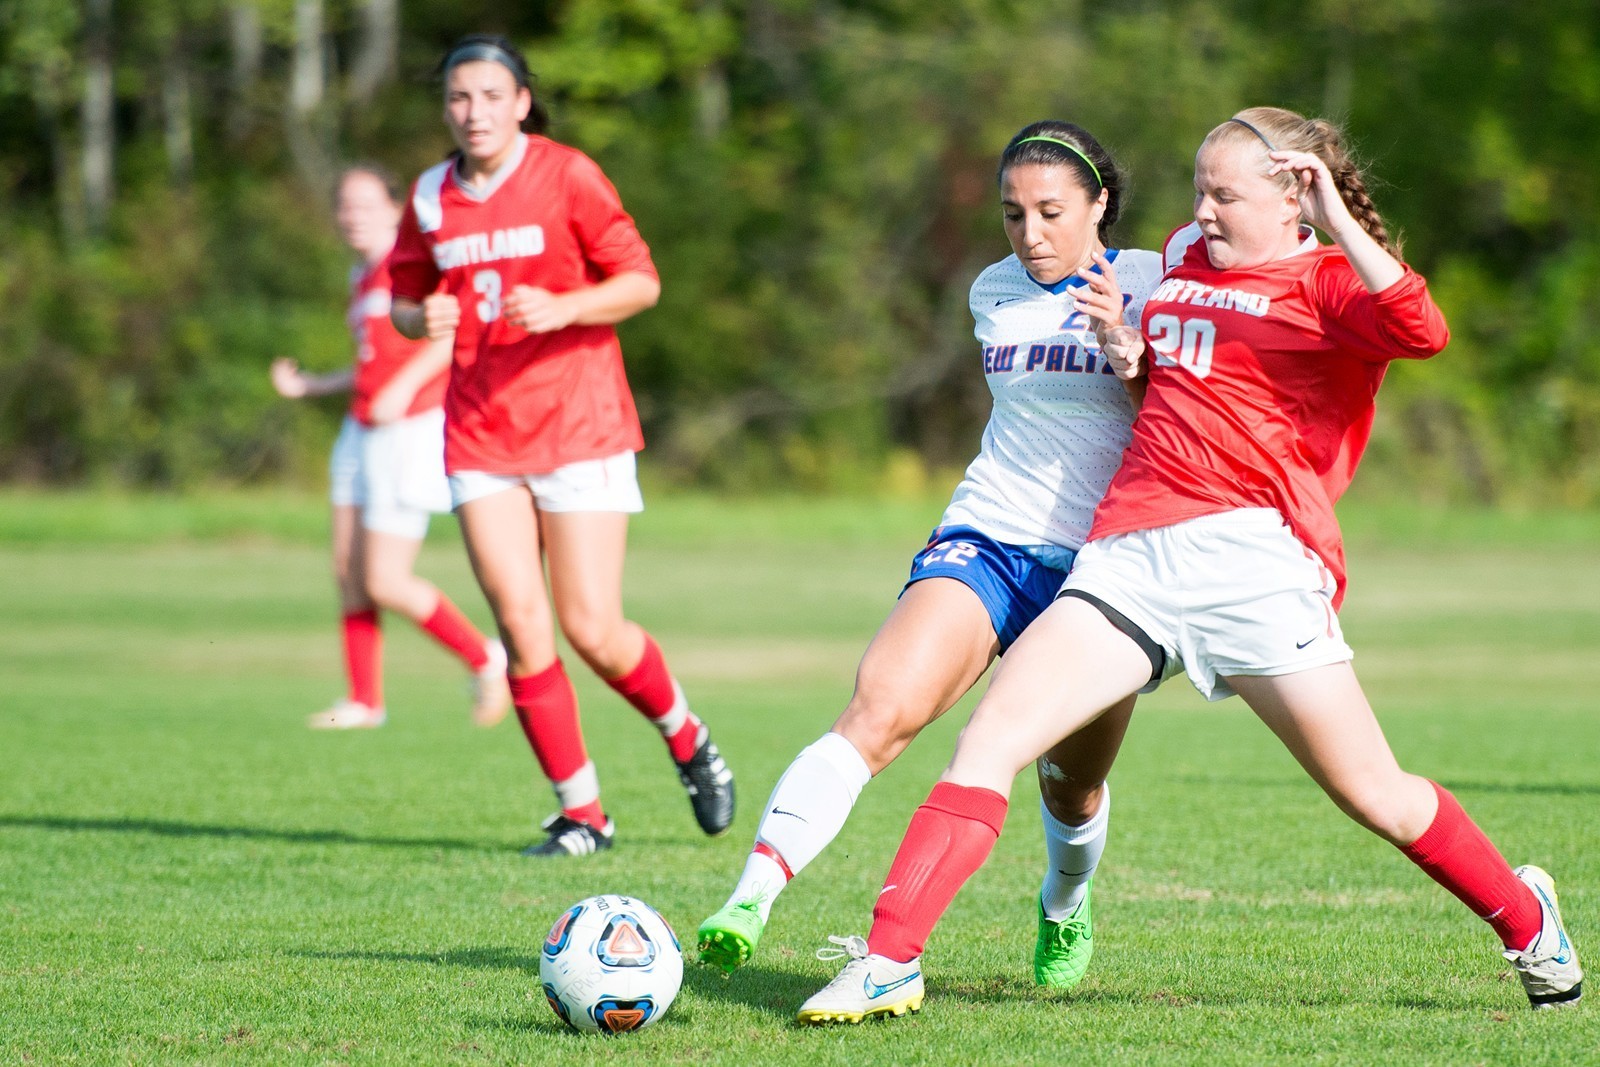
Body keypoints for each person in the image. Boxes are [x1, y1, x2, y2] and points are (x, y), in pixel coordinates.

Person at [796, 106, 1582, 1024]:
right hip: (1131, 551)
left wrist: (1339, 218)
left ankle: (1531, 923)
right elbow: (1171, 381)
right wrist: (1131, 358)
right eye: (1198, 188)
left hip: (1254, 560)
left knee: (1377, 794)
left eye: (1224, 194)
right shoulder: (1183, 258)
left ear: (1294, 196)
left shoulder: (1330, 281)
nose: (1201, 210)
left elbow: (1423, 327)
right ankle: (890, 958)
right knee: (991, 740)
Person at [696, 121, 1163, 991]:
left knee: (1071, 789)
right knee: (878, 706)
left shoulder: (1153, 278)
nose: (1030, 234)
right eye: (1012, 214)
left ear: (1101, 204)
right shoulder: (993, 289)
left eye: (1052, 211)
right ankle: (751, 897)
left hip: (1104, 568)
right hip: (987, 534)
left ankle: (1065, 897)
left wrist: (1127, 350)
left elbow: (1184, 417)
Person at [386, 35, 734, 857]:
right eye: (458, 98)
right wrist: (417, 318)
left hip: (580, 425)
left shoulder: (567, 174)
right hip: (478, 432)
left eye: (490, 96)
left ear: (521, 102)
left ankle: (686, 734)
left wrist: (566, 308)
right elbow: (404, 295)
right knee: (519, 621)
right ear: (447, 108)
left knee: (593, 626)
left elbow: (641, 280)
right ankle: (584, 813)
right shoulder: (432, 195)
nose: (474, 112)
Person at [272, 165, 509, 731]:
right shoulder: (362, 275)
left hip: (408, 431)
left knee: (386, 579)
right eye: (344, 206)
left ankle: (486, 657)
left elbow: (450, 336)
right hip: (361, 429)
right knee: (346, 571)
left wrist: (402, 389)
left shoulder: (410, 265)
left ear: (393, 206)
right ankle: (364, 701)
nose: (353, 216)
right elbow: (371, 365)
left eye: (365, 204)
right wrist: (312, 386)